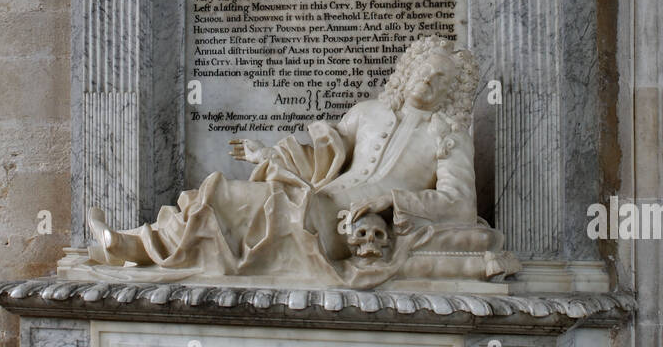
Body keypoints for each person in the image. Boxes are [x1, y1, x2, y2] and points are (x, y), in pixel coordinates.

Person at [86, 37, 507, 288]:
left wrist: (392, 202)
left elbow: (459, 204)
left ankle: (133, 246)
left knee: (230, 198)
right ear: (409, 70)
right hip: (317, 197)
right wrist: (268, 155)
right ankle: (132, 245)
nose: (428, 83)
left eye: (441, 81)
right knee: (223, 196)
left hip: (352, 226)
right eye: (424, 72)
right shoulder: (368, 112)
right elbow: (322, 157)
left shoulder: (446, 138)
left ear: (452, 92)